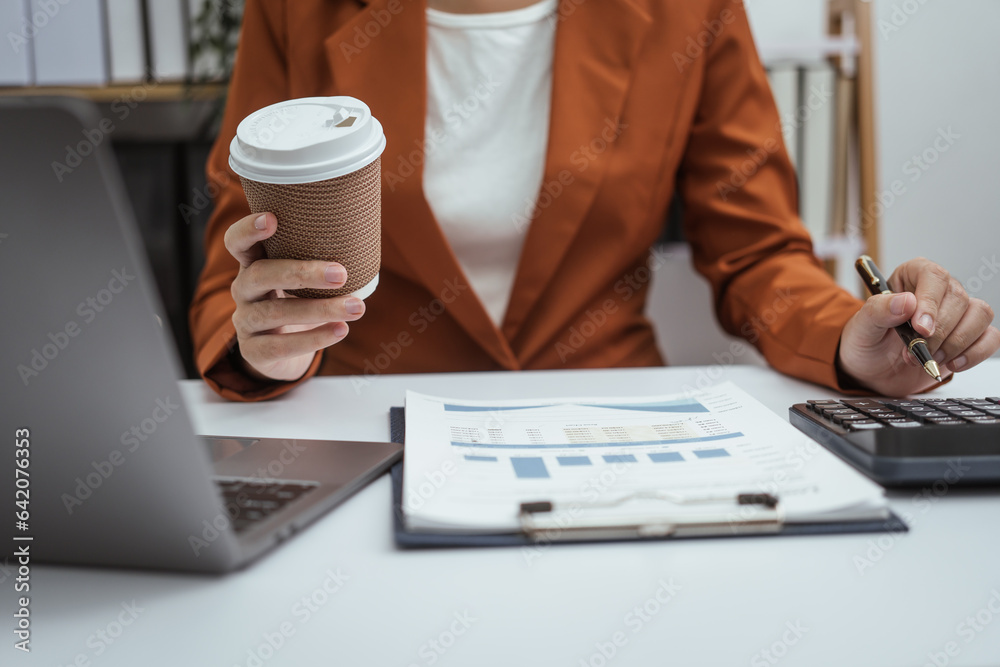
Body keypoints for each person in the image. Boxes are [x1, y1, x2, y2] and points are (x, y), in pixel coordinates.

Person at [190, 0, 999, 402]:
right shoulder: (297, 10)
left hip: (607, 424)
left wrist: (845, 340)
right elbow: (242, 238)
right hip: (369, 424)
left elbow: (757, 253)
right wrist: (269, 344)